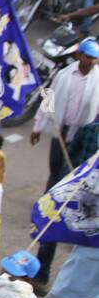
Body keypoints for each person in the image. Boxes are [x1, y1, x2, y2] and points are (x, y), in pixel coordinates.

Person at [32, 37, 99, 284]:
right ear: (79, 55)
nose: (90, 62)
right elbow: (49, 98)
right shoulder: (64, 75)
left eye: (94, 58)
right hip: (62, 134)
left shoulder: (97, 81)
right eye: (87, 56)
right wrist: (39, 125)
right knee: (55, 181)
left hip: (85, 175)